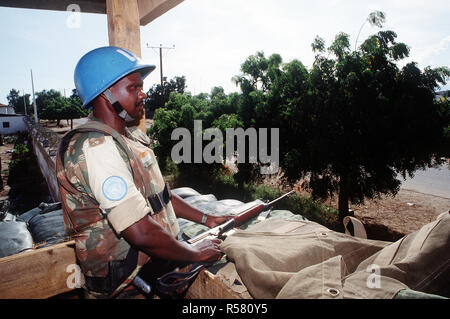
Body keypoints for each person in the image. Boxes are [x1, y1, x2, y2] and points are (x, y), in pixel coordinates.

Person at [56, 46, 230, 298]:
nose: (143, 93)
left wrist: (206, 219)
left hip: (158, 269)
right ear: (106, 94)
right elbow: (140, 232)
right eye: (134, 88)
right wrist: (195, 252)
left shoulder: (128, 138)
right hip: (128, 285)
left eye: (141, 87)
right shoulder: (96, 148)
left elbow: (160, 198)